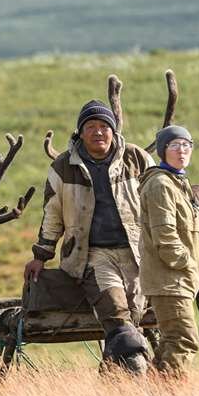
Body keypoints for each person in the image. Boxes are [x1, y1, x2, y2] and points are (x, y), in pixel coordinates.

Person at [24, 99, 154, 373]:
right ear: (80, 133)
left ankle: (111, 375)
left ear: (114, 130)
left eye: (104, 126)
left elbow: (157, 204)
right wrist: (41, 255)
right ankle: (140, 371)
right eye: (91, 126)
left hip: (136, 253)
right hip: (91, 256)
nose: (98, 132)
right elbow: (52, 214)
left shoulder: (137, 158)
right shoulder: (63, 167)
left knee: (134, 314)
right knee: (117, 313)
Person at [138, 125, 199, 378]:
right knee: (183, 340)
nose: (182, 150)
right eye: (175, 145)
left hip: (179, 279)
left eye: (187, 145)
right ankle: (170, 394)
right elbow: (165, 237)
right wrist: (186, 263)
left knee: (170, 341)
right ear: (163, 151)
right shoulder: (161, 185)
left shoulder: (178, 182)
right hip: (170, 279)